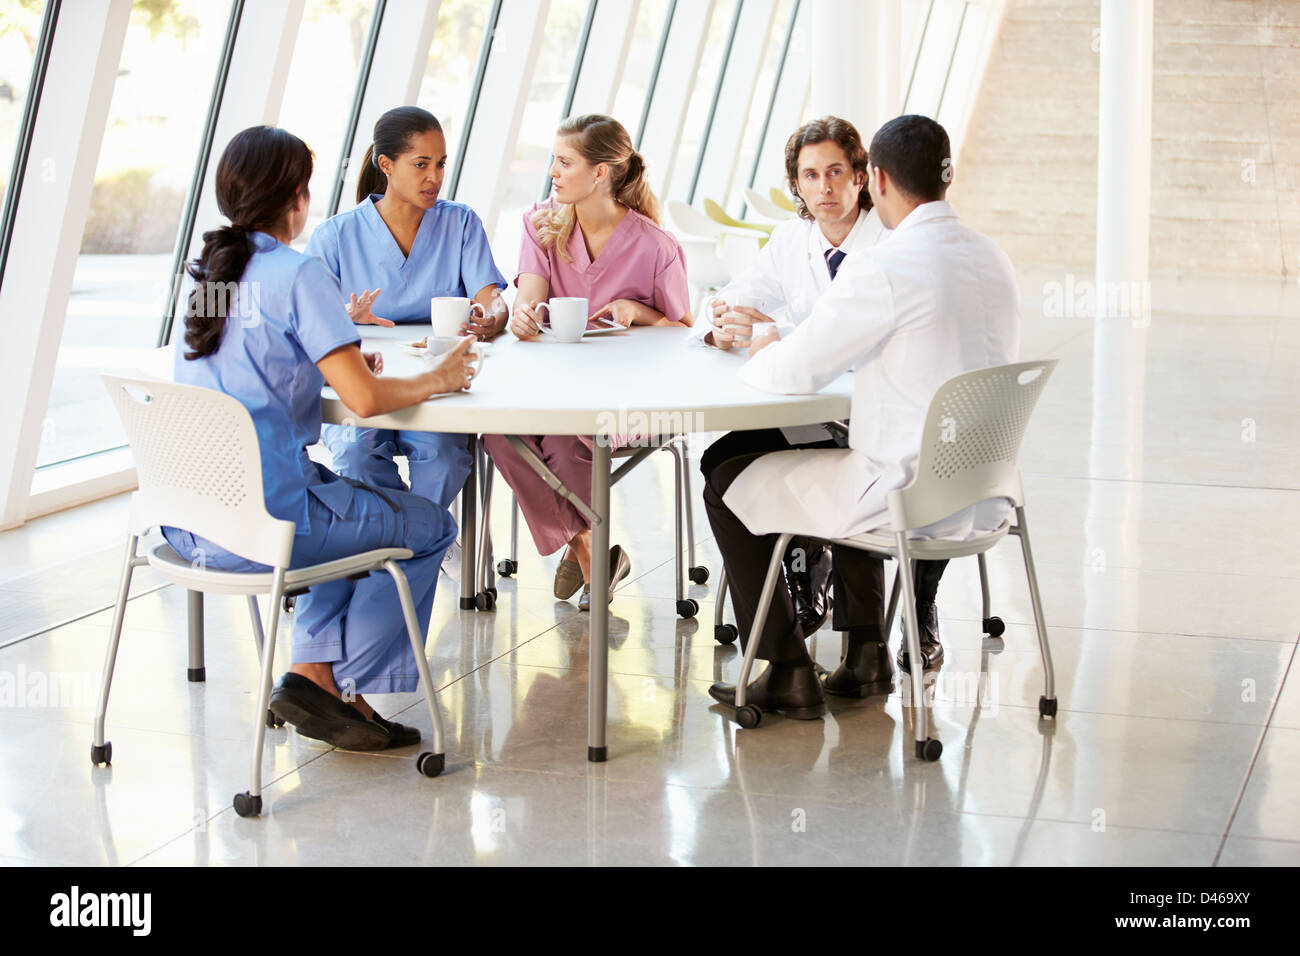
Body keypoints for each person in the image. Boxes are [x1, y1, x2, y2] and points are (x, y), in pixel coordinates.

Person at [164, 125, 479, 750]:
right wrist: (438, 378)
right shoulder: (296, 272)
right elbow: (361, 399)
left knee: (352, 505)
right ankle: (335, 682)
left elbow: (251, 363)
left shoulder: (208, 273)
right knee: (428, 528)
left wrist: (336, 345)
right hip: (272, 524)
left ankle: (313, 672)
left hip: (192, 523)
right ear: (297, 197)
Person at [704, 114, 1020, 719]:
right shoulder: (992, 256)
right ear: (946, 174)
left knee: (724, 478)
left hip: (909, 497)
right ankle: (868, 655)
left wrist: (765, 346)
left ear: (872, 178)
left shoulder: (886, 264)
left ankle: (788, 670)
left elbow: (794, 371)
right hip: (987, 491)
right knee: (840, 451)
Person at [484, 114, 692, 611]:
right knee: (495, 430)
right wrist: (524, 315)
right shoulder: (540, 224)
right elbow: (530, 293)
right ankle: (593, 551)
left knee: (566, 436)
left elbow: (685, 330)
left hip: (631, 401)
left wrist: (639, 311)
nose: (552, 172)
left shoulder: (656, 246)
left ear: (600, 173)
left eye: (564, 162)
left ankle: (587, 555)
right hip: (552, 391)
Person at [307, 106, 507, 542]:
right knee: (358, 454)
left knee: (445, 456)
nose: (434, 177)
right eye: (421, 165)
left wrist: (492, 319)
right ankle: (420, 539)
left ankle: (407, 542)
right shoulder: (334, 237)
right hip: (364, 380)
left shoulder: (460, 222)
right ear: (386, 165)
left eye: (440, 164)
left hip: (439, 383)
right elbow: (309, 326)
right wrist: (346, 318)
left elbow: (492, 298)